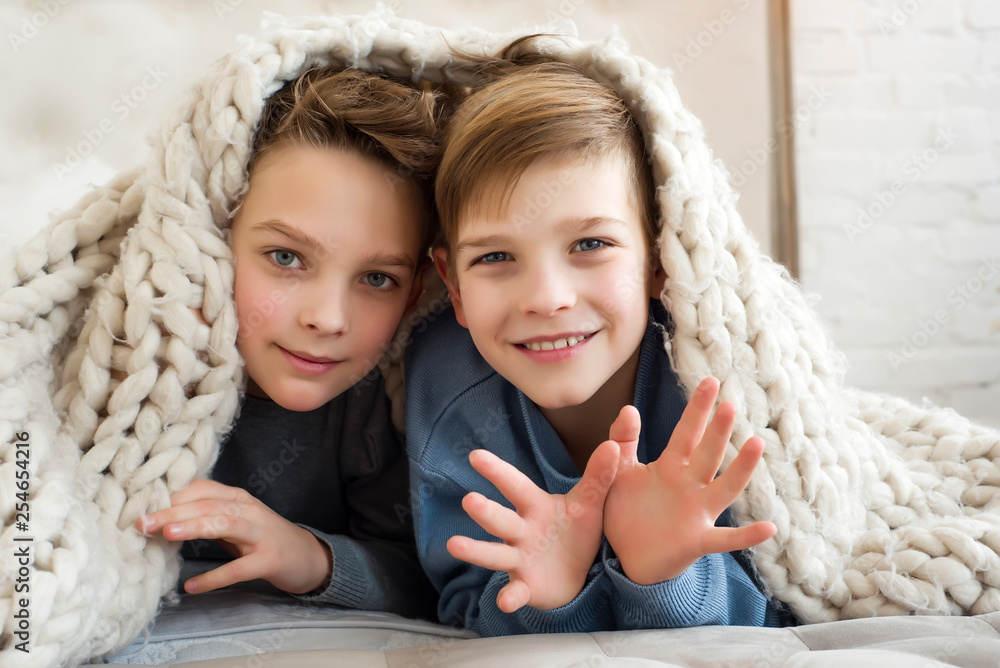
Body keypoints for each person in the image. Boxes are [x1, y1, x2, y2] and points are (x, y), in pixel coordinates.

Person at [406, 39, 792, 635]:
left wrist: (665, 577)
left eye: (590, 245)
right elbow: (460, 595)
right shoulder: (446, 391)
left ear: (661, 258)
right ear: (453, 288)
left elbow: (786, 592)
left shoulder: (717, 381)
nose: (546, 297)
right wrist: (543, 597)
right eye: (496, 256)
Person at [136, 66, 440, 619]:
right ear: (210, 239)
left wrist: (312, 557)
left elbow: (429, 577)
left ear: (414, 294)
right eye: (286, 258)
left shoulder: (376, 411)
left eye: (377, 279)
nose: (327, 319)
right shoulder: (124, 356)